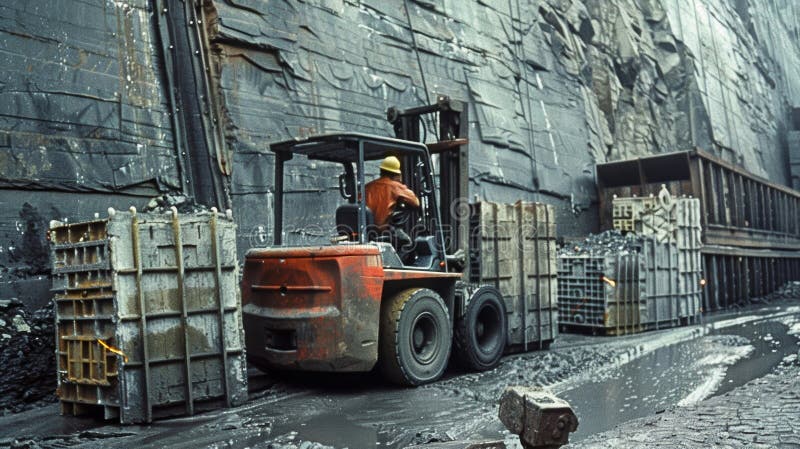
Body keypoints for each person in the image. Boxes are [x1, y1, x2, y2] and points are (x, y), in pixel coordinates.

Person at [365, 156, 420, 261]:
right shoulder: (394, 187)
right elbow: (416, 202)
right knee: (407, 243)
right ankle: (396, 264)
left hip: (367, 231)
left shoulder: (367, 187)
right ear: (396, 174)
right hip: (384, 230)